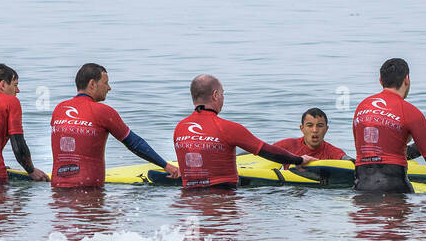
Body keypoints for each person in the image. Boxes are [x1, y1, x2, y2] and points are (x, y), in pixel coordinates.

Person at [50, 63, 180, 188]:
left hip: (57, 190)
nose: (109, 88)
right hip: (89, 190)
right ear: (92, 84)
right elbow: (135, 143)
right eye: (105, 83)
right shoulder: (103, 111)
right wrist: (166, 166)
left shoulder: (59, 109)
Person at [173, 75, 313, 189]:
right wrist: (299, 159)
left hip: (189, 202)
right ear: (215, 95)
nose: (223, 99)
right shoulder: (227, 127)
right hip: (223, 202)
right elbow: (267, 151)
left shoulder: (179, 128)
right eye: (222, 94)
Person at [352, 59, 426, 193]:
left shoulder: (361, 107)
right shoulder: (410, 111)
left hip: (361, 187)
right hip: (395, 188)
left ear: (380, 80)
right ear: (407, 79)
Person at [273, 108, 349, 161]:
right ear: (302, 128)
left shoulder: (333, 152)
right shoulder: (287, 146)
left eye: (320, 125)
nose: (315, 130)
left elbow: (347, 160)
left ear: (326, 129)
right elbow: (265, 154)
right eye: (309, 125)